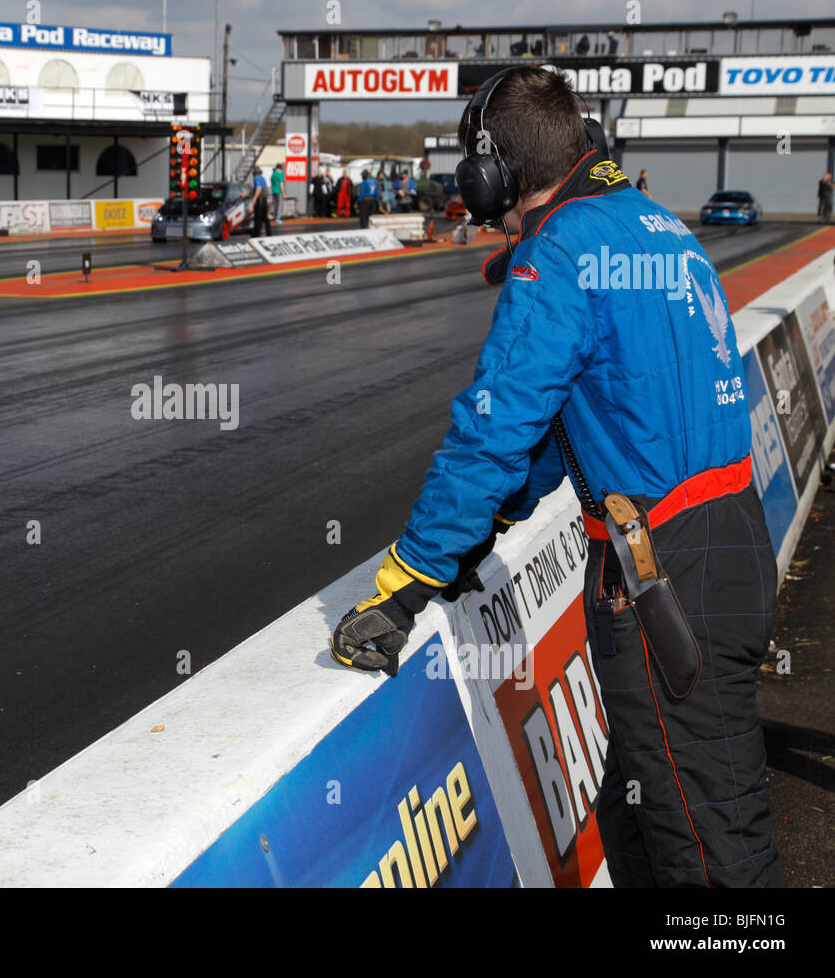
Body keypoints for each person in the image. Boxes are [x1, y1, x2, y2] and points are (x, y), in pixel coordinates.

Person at [329, 66, 783, 889]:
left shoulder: (562, 249)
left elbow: (495, 426)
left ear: (492, 173)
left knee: (712, 850)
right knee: (643, 816)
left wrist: (410, 578)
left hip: (661, 573)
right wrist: (491, 523)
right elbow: (576, 423)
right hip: (729, 540)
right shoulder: (652, 223)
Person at [250, 168, 271, 237]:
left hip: (260, 200)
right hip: (264, 199)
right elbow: (254, 189)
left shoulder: (256, 178)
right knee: (265, 218)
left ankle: (256, 234)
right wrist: (245, 194)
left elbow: (258, 188)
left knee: (258, 218)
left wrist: (254, 198)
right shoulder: (263, 178)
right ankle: (269, 233)